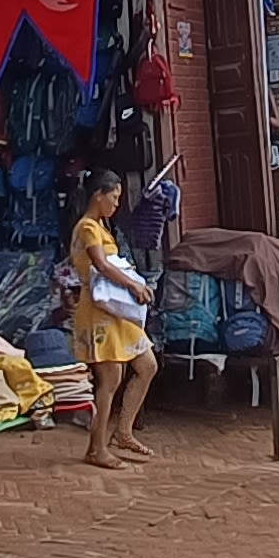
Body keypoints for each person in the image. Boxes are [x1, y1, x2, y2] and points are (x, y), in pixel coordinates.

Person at [67, 170, 159, 469]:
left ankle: (122, 432)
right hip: (99, 314)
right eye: (114, 197)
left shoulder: (101, 227)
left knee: (147, 365)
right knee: (109, 381)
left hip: (116, 312)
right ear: (99, 195)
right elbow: (102, 265)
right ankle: (96, 448)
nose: (116, 203)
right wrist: (133, 284)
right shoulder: (87, 228)